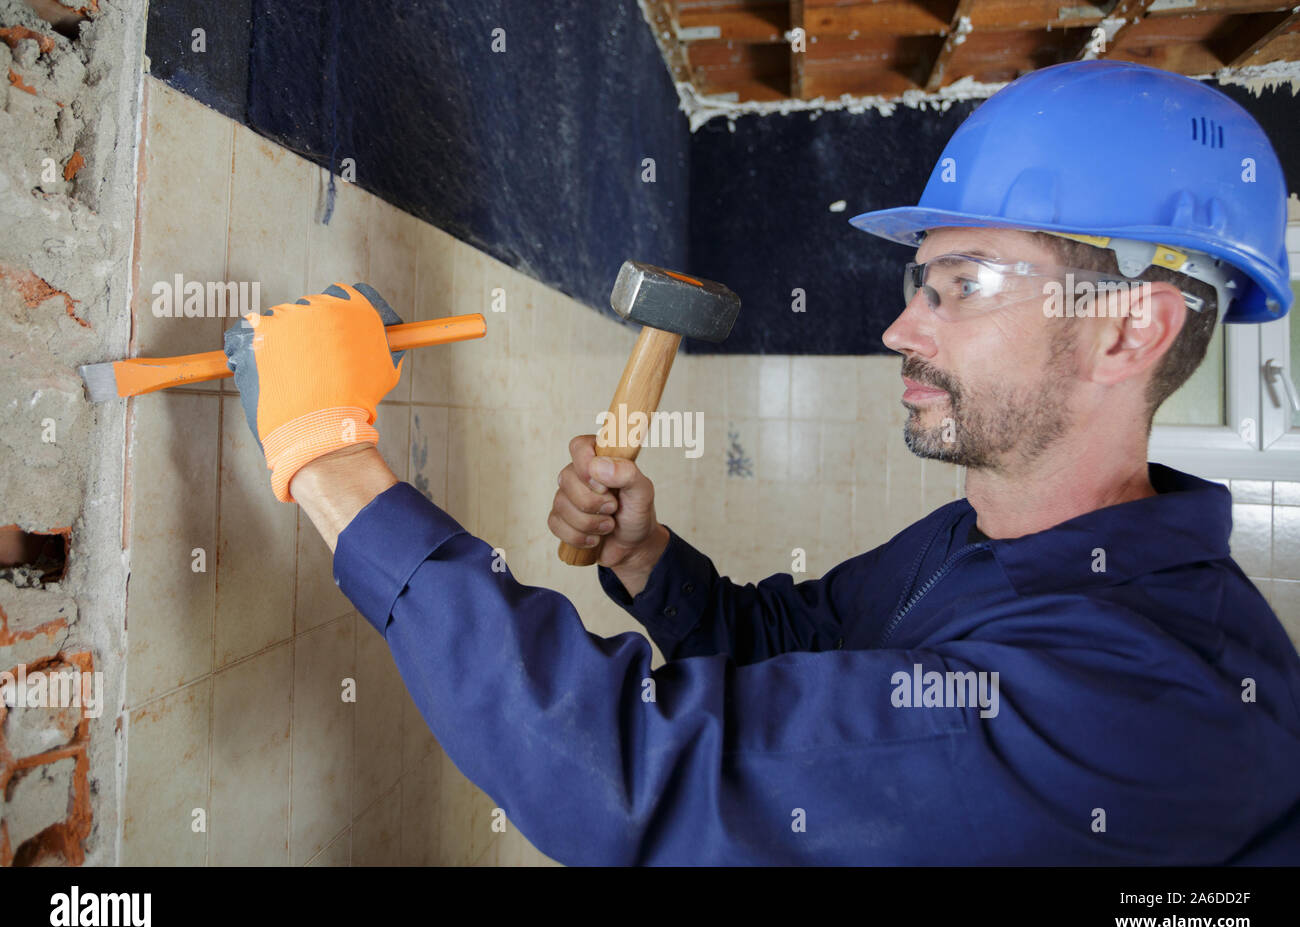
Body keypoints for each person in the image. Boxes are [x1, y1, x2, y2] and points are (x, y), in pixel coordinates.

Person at [224, 60, 1300, 864]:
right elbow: (796, 645)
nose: (899, 330)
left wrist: (329, 455)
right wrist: (647, 557)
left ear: (1127, 331)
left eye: (961, 284)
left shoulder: (1145, 700)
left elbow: (644, 770)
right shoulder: (987, 537)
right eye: (918, 282)